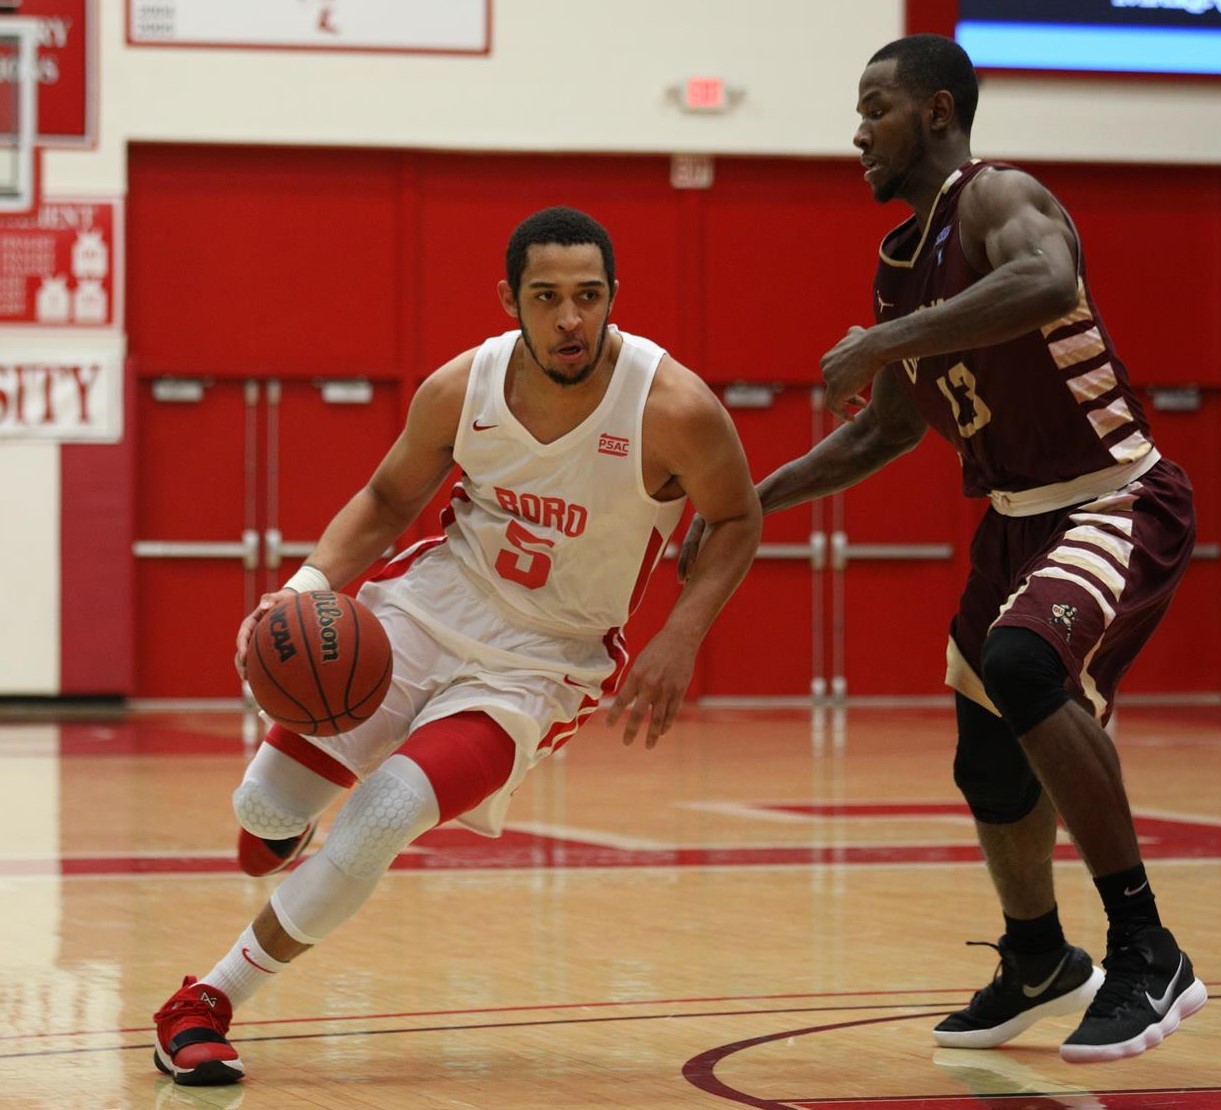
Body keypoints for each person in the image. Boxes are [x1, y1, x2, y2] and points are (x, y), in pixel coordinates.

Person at [679, 34, 1204, 1063]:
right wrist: (750, 499)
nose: (858, 131)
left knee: (1022, 666)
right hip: (1015, 522)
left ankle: (1147, 949)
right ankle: (1039, 957)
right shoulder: (899, 267)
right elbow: (883, 431)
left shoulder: (999, 197)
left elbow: (1053, 282)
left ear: (936, 110)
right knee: (985, 757)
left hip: (1115, 498)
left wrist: (889, 340)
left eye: (875, 106)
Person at [151, 207, 763, 1086]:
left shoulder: (674, 407)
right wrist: (299, 593)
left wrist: (682, 633)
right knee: (266, 808)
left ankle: (205, 1000)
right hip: (424, 612)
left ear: (613, 299)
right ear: (510, 298)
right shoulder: (460, 389)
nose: (569, 320)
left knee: (385, 814)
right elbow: (385, 497)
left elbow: (738, 517)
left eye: (589, 297)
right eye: (547, 297)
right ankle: (280, 829)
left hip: (542, 663)